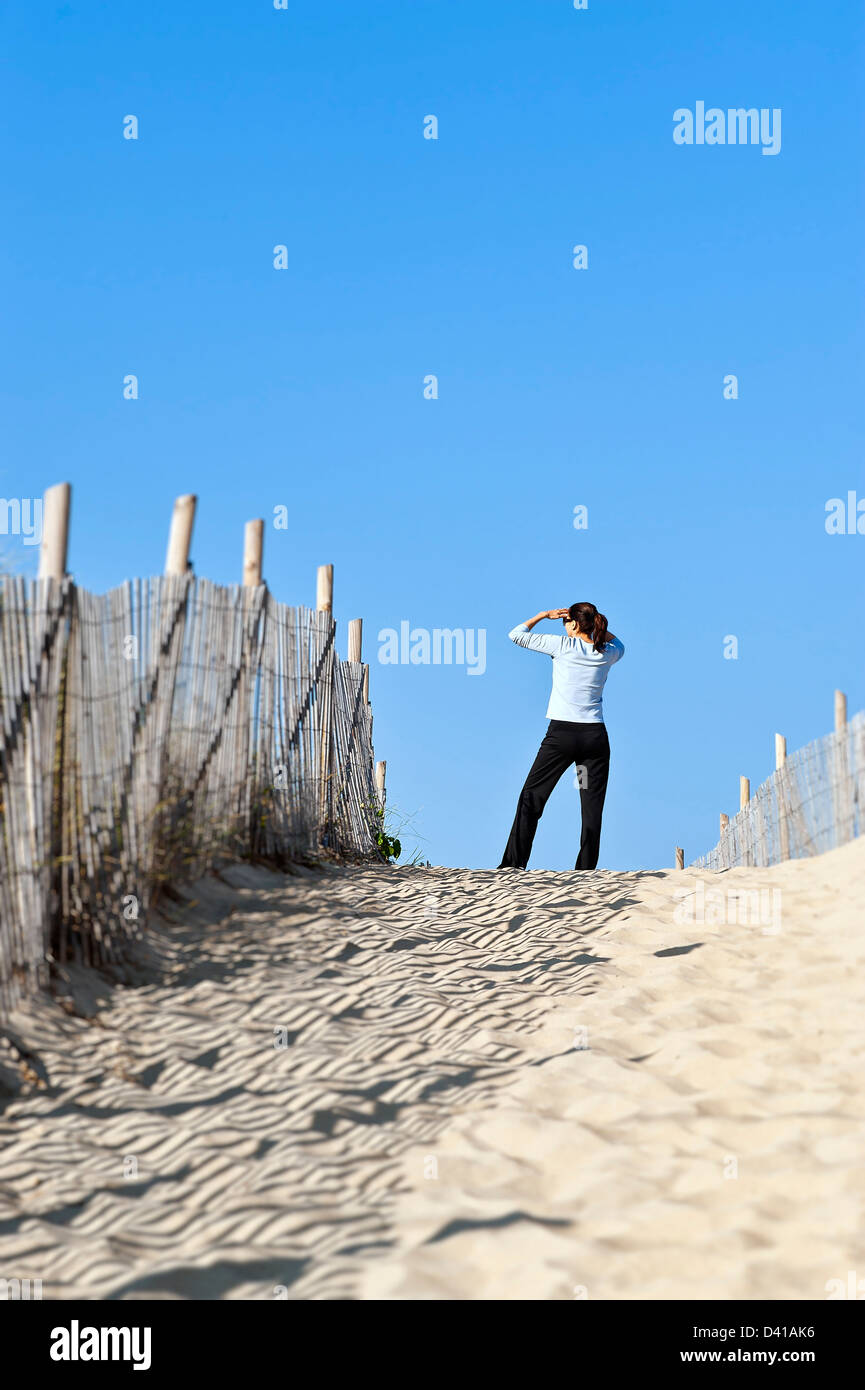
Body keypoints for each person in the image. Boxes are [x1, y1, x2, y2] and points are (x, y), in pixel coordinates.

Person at [498, 602, 625, 870]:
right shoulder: (606, 653)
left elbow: (516, 635)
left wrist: (544, 615)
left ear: (574, 624)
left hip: (562, 739)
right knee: (591, 806)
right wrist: (597, 627)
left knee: (532, 797)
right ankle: (585, 870)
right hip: (593, 741)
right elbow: (621, 645)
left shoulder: (562, 646)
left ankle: (513, 864)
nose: (564, 626)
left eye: (566, 621)